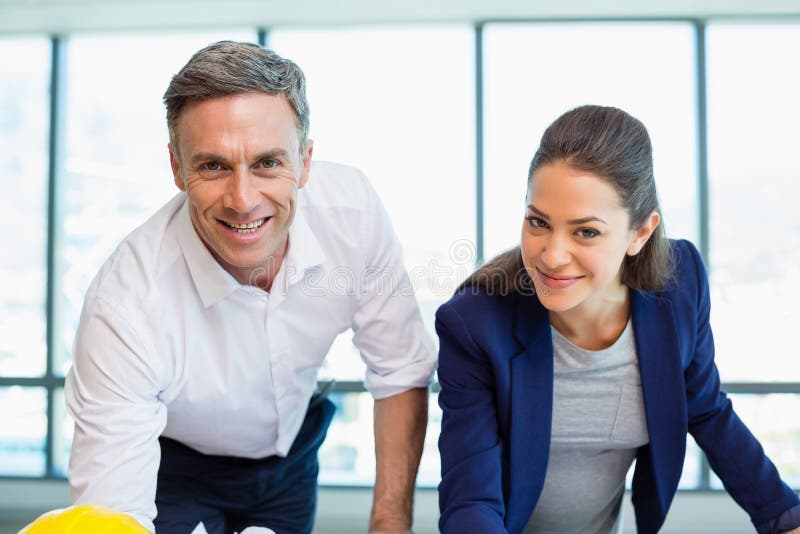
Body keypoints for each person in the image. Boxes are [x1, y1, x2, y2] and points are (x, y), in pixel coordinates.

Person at [65, 41, 436, 534]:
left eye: (266, 163)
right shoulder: (126, 304)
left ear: (305, 163)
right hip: (173, 465)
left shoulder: (353, 216)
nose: (242, 200)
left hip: (290, 455)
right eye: (213, 166)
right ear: (177, 169)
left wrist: (390, 523)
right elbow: (110, 514)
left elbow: (399, 370)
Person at [435, 105, 800, 534]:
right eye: (538, 223)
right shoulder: (475, 323)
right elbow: (471, 498)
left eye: (586, 231)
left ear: (640, 233)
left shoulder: (679, 285)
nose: (551, 255)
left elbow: (705, 410)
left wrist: (784, 517)